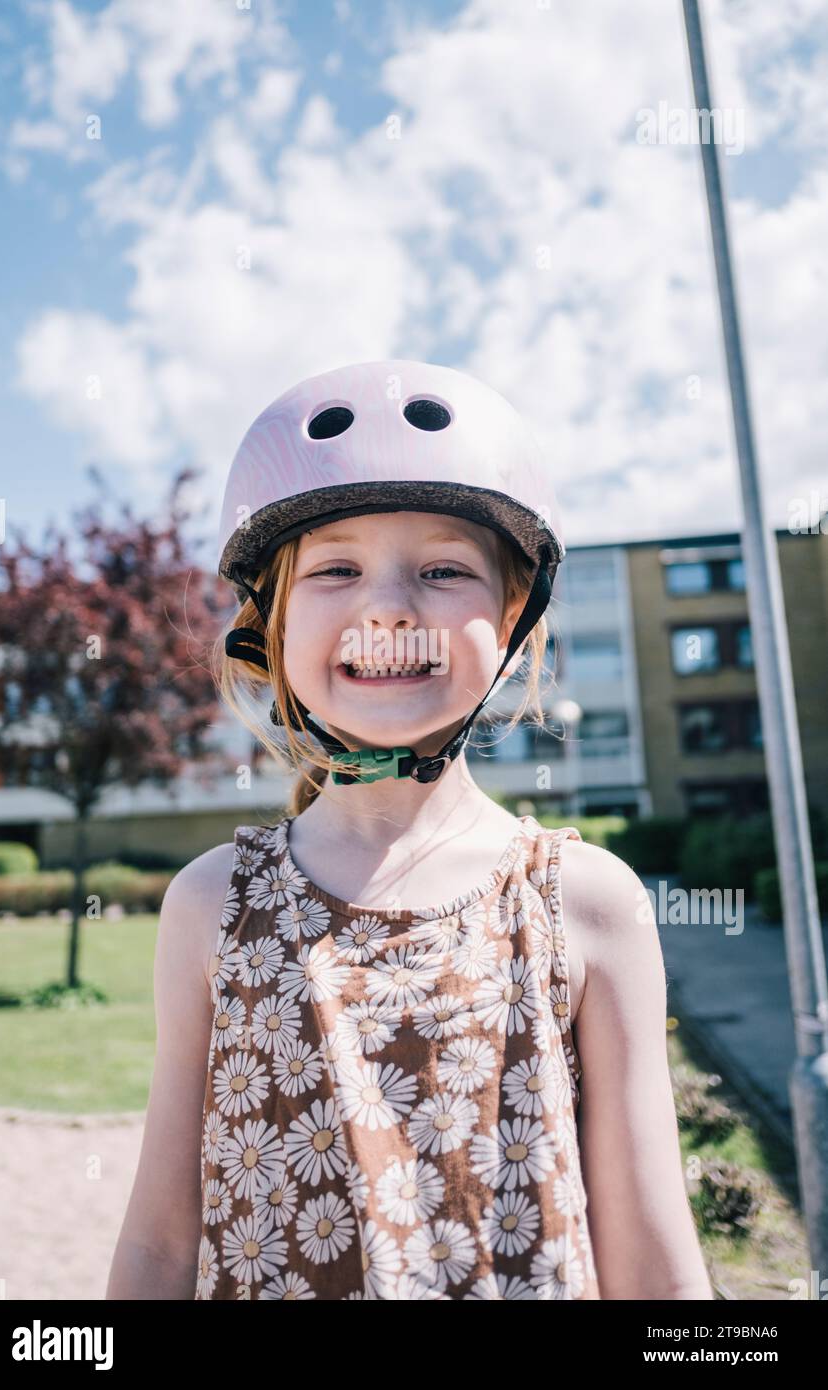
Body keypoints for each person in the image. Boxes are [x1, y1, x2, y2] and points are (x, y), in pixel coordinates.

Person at [107, 359, 713, 1301]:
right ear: (266, 623)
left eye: (442, 570)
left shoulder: (586, 902)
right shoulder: (212, 904)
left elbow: (655, 1262)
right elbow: (157, 1239)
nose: (388, 607)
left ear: (513, 616)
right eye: (337, 568)